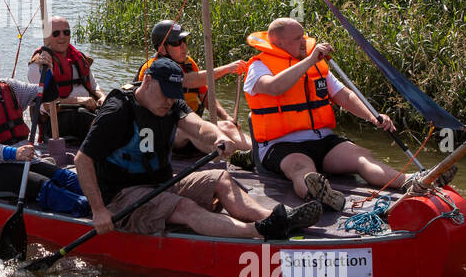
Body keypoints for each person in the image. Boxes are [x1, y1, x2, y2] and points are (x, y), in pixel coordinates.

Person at [75, 58, 322, 241]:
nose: (170, 101)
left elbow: (199, 127)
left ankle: (273, 217)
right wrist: (99, 210)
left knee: (221, 178)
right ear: (147, 82)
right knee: (185, 208)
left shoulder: (171, 103)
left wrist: (219, 139)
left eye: (175, 95)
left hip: (160, 183)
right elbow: (82, 160)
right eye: (166, 95)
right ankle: (258, 231)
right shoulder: (117, 110)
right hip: (120, 196)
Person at [243, 18, 456, 211]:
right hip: (281, 145)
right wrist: (308, 61)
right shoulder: (259, 67)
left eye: (304, 36)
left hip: (323, 140)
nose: (304, 42)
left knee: (361, 157)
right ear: (279, 43)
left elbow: (343, 95)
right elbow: (274, 87)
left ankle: (411, 180)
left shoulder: (316, 66)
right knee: (301, 168)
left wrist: (372, 116)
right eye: (298, 38)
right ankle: (316, 190)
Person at [0, 43, 87, 214]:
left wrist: (46, 71)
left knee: (68, 178)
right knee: (48, 187)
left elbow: (47, 94)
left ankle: (107, 201)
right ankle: (90, 212)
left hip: (21, 159)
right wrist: (15, 153)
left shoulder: (10, 87)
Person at [136, 20, 251, 157]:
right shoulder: (152, 69)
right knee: (188, 131)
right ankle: (234, 155)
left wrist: (227, 117)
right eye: (177, 43)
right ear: (162, 49)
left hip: (194, 127)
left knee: (228, 126)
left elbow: (206, 96)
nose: (184, 46)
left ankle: (257, 154)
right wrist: (226, 69)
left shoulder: (189, 64)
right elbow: (187, 81)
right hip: (162, 133)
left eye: (184, 40)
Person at [27, 15, 106, 143]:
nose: (62, 37)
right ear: (46, 37)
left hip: (87, 113)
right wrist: (79, 101)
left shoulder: (79, 59)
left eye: (66, 32)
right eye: (56, 33)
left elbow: (94, 86)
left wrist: (103, 97)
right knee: (82, 115)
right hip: (57, 122)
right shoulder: (39, 66)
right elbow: (45, 105)